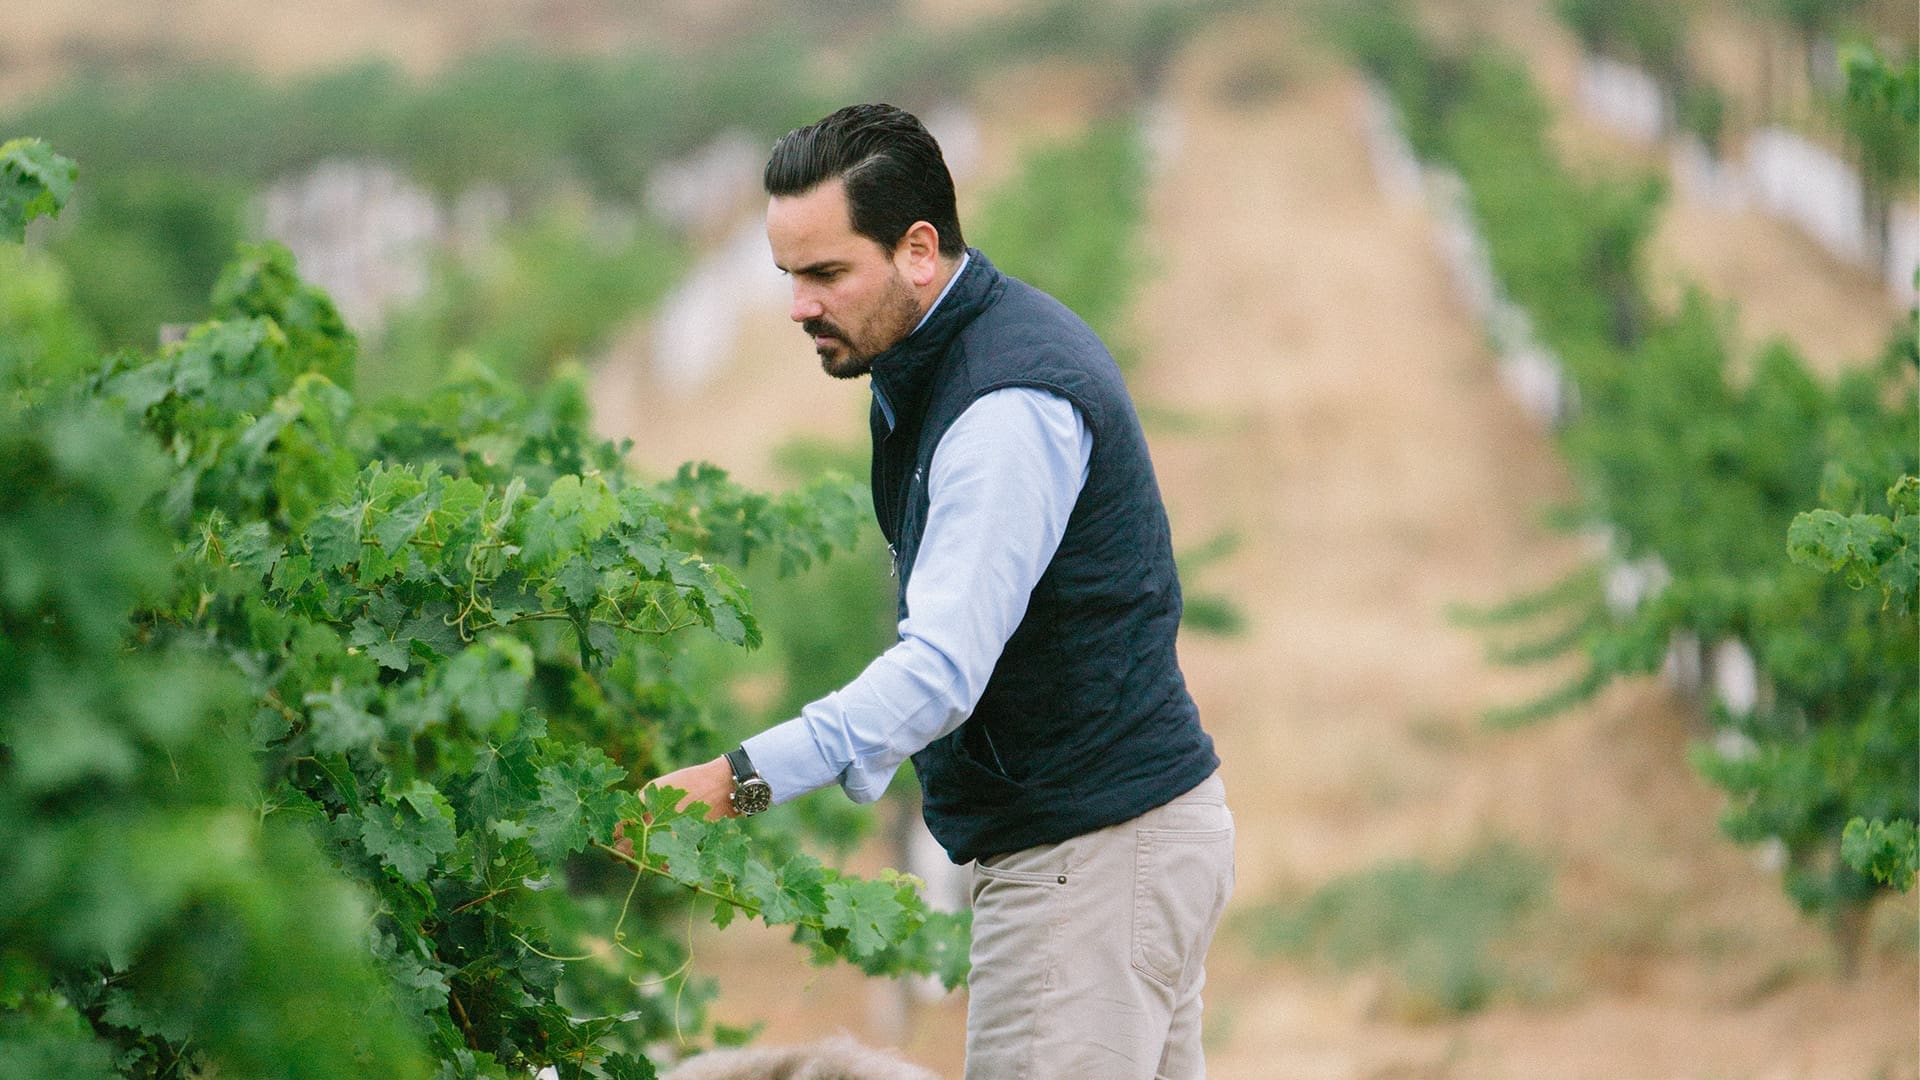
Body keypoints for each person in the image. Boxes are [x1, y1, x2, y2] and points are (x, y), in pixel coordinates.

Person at [639, 103, 1234, 1079]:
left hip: (1088, 861)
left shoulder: (1003, 407)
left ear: (918, 251)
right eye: (788, 275)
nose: (798, 305)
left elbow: (944, 669)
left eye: (826, 273)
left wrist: (738, 776)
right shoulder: (939, 362)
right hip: (1114, 847)